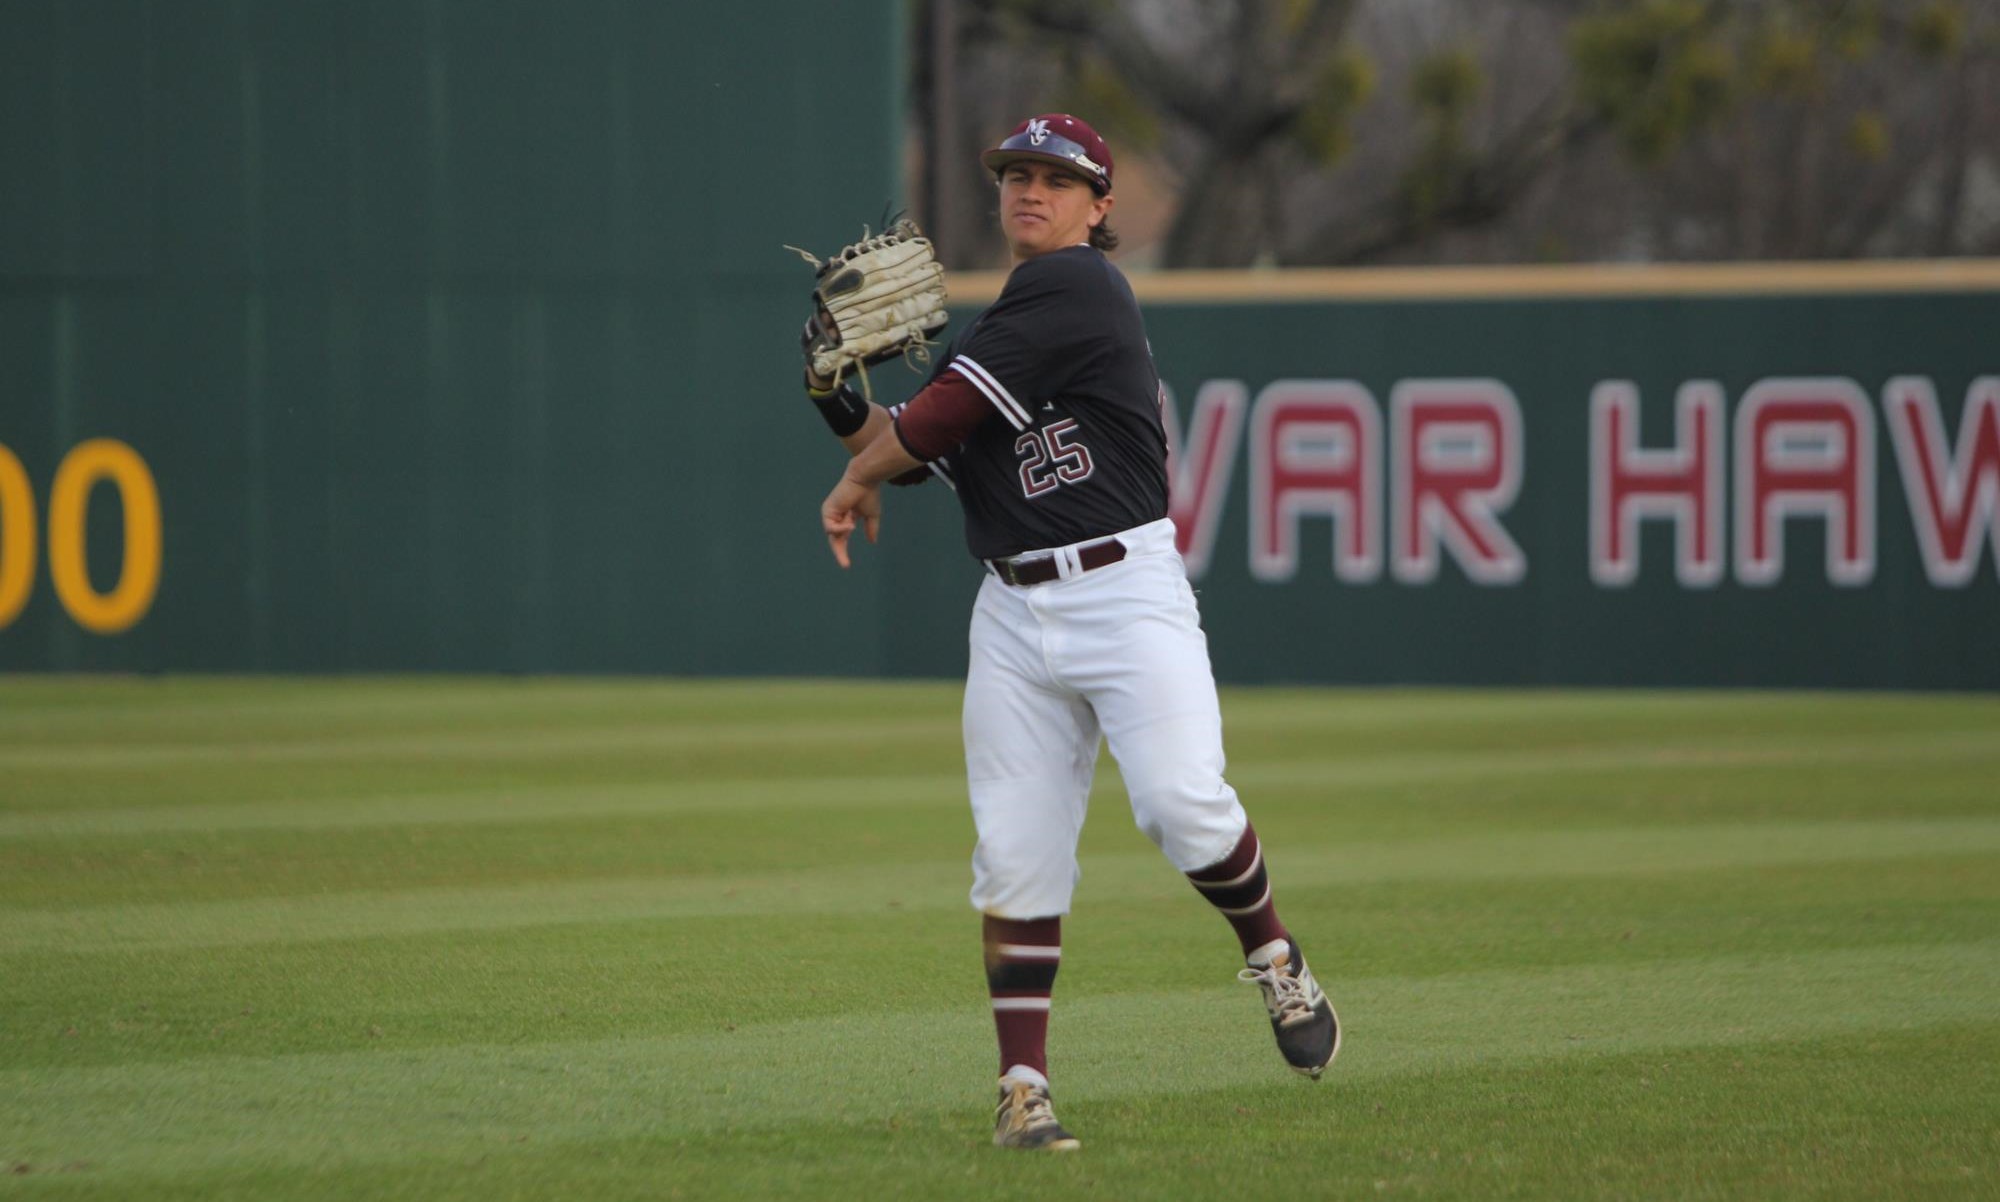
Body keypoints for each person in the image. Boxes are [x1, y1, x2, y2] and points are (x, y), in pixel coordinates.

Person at [805, 113, 1337, 1152]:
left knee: (1183, 802)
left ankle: (1273, 957)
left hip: (1123, 594)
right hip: (1010, 611)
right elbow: (913, 453)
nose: (1027, 191)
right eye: (1013, 174)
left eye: (1055, 177)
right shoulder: (997, 329)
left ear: (1101, 209)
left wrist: (859, 467)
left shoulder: (1078, 287)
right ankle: (1022, 1090)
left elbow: (924, 430)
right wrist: (833, 400)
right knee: (1013, 858)